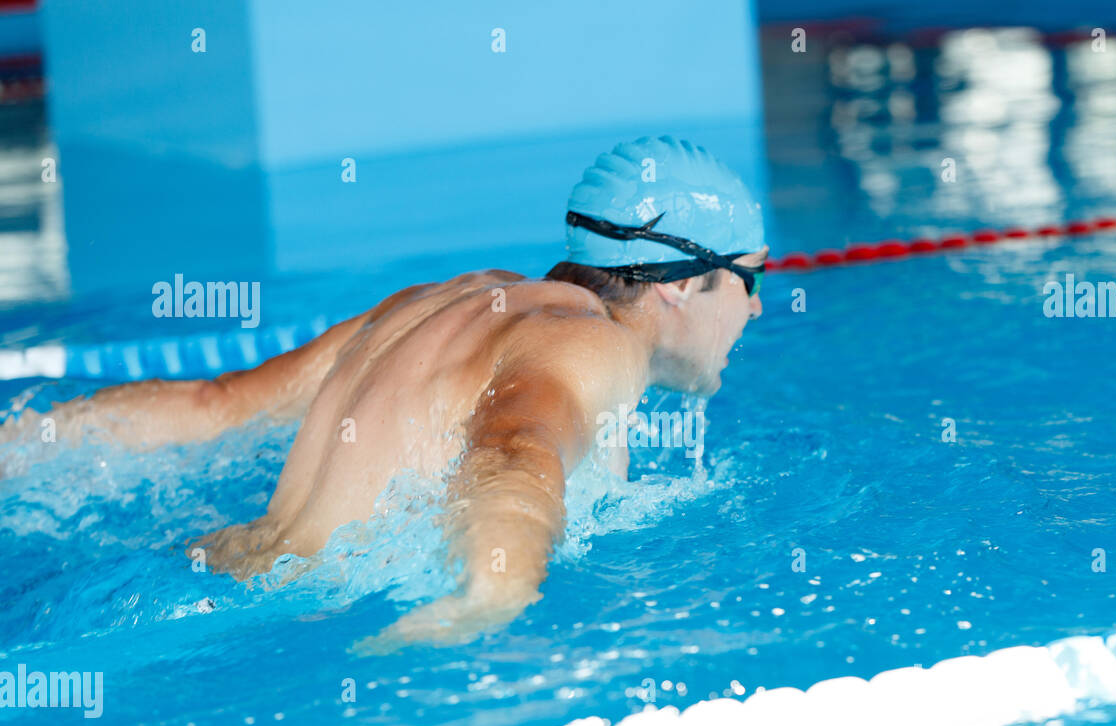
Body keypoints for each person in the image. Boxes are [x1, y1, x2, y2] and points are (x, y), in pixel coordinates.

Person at [2, 135, 767, 646]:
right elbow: (511, 448)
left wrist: (18, 442)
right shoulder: (593, 344)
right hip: (281, 616)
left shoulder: (447, 299)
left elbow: (217, 406)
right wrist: (491, 595)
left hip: (208, 563)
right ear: (686, 282)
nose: (758, 306)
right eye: (751, 278)